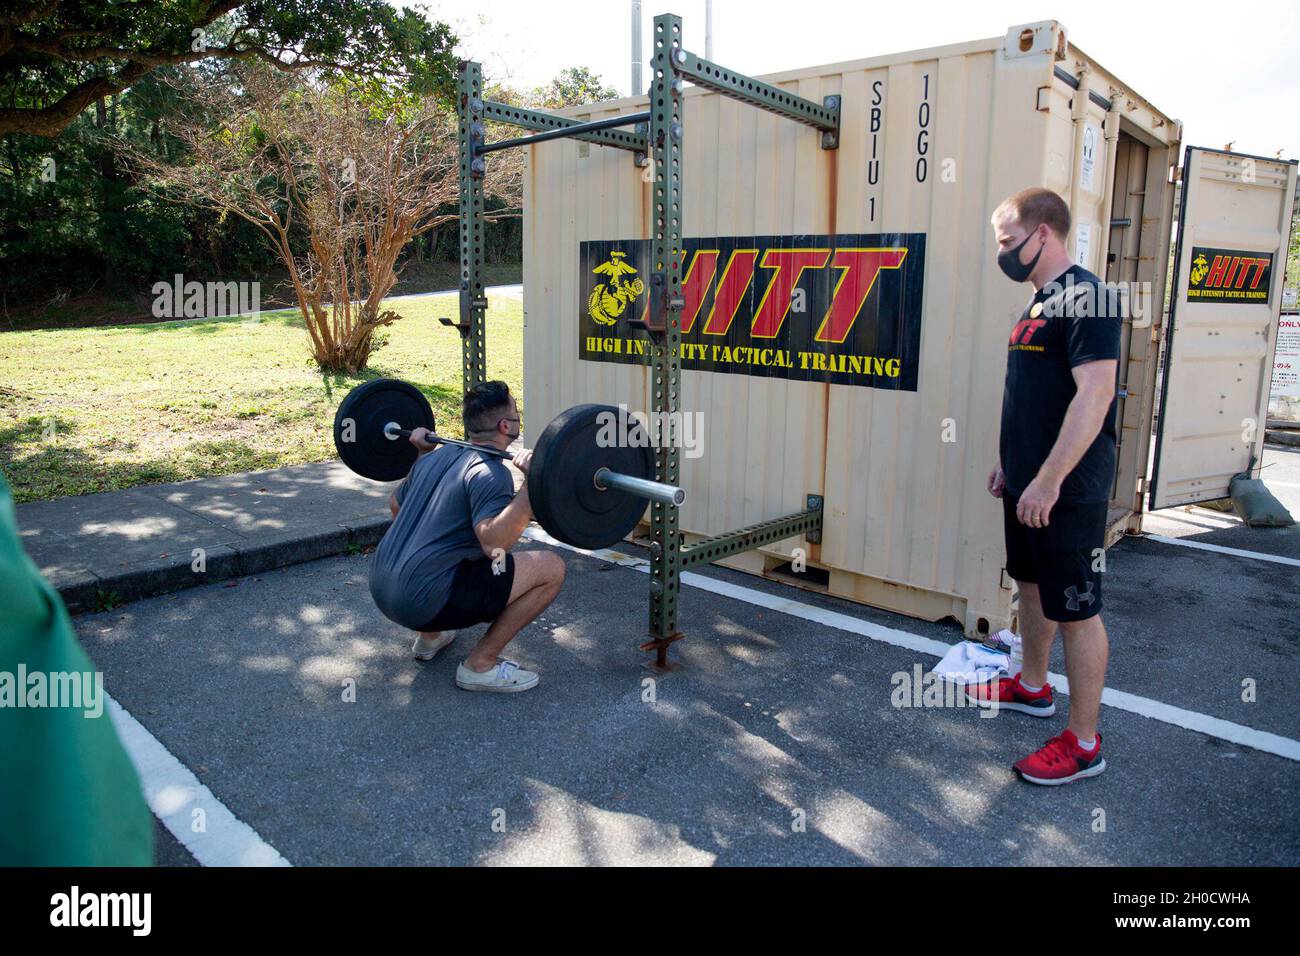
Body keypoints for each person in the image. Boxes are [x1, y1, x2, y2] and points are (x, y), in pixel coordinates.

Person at [970, 187, 1120, 785]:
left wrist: (1050, 479)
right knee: (1029, 586)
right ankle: (1033, 687)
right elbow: (1032, 398)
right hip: (1026, 485)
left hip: (1067, 491)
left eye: (1008, 242)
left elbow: (1096, 394)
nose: (1001, 253)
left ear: (1045, 235)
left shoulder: (1088, 297)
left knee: (1078, 610)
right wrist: (1012, 465)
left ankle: (1084, 744)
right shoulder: (1038, 305)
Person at [368, 381, 565, 693]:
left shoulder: (433, 457)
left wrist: (420, 453)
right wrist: (530, 485)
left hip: (381, 587)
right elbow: (494, 545)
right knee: (552, 568)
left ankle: (430, 637)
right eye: (515, 412)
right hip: (418, 600)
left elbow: (397, 505)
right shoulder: (491, 472)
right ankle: (480, 667)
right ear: (505, 425)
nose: (517, 417)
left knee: (442, 554)